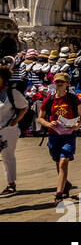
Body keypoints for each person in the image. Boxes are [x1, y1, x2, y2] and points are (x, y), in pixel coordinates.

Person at [40, 69, 81, 203]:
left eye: (61, 81)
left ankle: (58, 194)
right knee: (57, 162)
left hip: (69, 135)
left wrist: (77, 125)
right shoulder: (49, 99)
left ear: (67, 83)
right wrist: (49, 124)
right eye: (57, 81)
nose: (59, 84)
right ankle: (66, 185)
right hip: (54, 135)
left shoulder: (72, 98)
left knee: (63, 162)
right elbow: (40, 118)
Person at [0, 64, 29, 196]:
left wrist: (16, 120)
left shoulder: (11, 93)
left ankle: (11, 184)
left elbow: (24, 107)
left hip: (8, 130)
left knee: (7, 156)